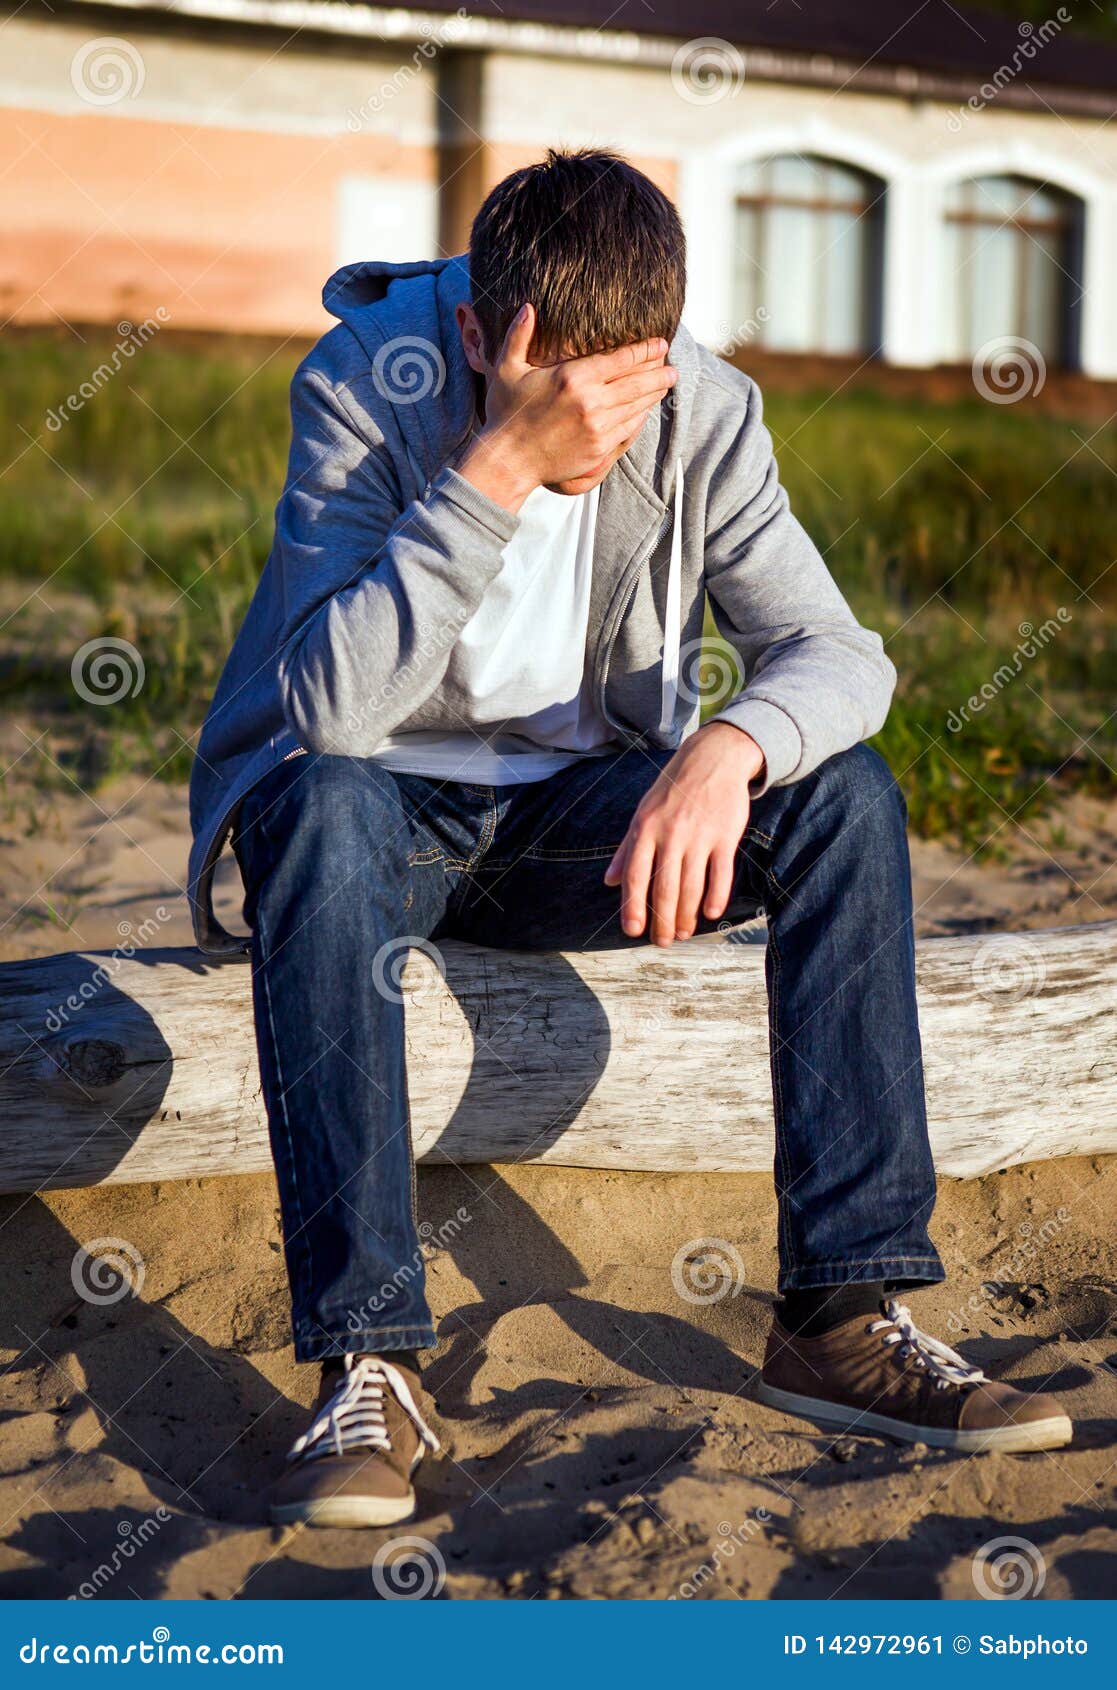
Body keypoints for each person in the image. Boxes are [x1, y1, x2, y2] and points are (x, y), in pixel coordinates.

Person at [188, 148, 1071, 1527]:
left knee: (842, 796)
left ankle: (841, 1312)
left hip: (565, 826)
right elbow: (331, 707)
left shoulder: (700, 408)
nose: (604, 422)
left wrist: (730, 747)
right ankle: (369, 1363)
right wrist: (493, 472)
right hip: (363, 817)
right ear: (478, 335)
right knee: (324, 798)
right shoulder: (367, 379)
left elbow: (839, 652)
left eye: (633, 378)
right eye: (564, 385)